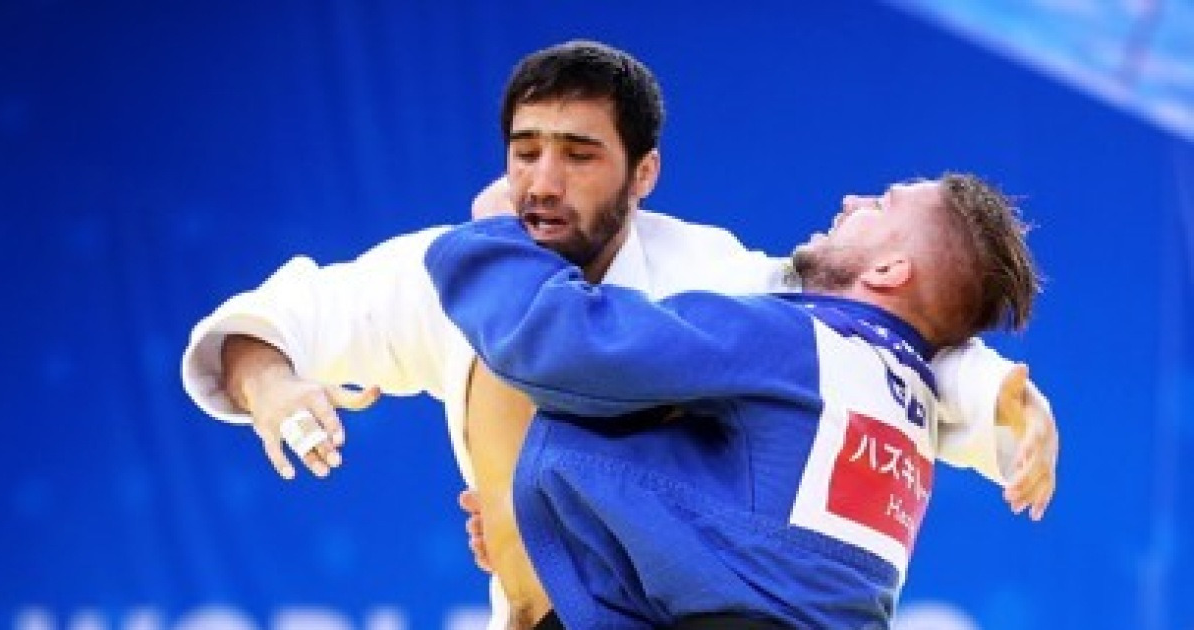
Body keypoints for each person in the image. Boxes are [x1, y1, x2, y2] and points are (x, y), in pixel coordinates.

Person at [180, 40, 1058, 630]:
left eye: (579, 153)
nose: (543, 181)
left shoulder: (720, 277)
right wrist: (274, 386)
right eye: (525, 151)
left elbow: (877, 341)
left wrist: (1005, 403)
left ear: (643, 174)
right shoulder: (436, 272)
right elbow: (285, 319)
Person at [423, 172, 1041, 628]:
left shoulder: (791, 342)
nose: (851, 200)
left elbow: (564, 345)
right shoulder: (911, 409)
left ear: (889, 271)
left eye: (878, 207)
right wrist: (553, 513)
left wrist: (492, 236)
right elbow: (746, 523)